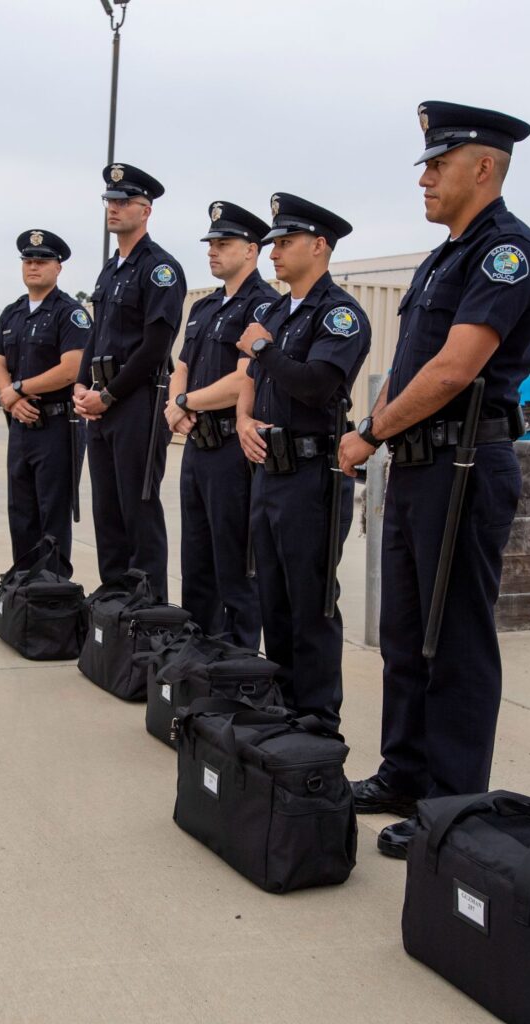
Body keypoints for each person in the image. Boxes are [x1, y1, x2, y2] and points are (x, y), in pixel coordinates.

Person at [340, 103, 530, 820]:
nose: (424, 179)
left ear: (484, 167)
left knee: (453, 639)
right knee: (405, 631)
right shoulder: (443, 257)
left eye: (438, 164)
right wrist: (389, 434)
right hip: (420, 463)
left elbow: (454, 370)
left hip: (465, 464)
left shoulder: (505, 252)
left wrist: (370, 431)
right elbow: (409, 366)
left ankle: (451, 810)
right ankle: (404, 774)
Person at [234, 194, 369, 728]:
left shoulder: (337, 314)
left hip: (313, 476)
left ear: (319, 246)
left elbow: (317, 386)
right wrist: (244, 420)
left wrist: (265, 351)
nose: (274, 253)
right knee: (273, 596)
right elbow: (249, 378)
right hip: (270, 471)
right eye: (272, 243)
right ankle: (284, 705)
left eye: (285, 243)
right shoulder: (274, 312)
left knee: (311, 601)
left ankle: (316, 717)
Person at [73, 163, 186, 600]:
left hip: (136, 401)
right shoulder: (110, 270)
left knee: (137, 509)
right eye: (110, 201)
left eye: (124, 202)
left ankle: (146, 608)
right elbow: (96, 335)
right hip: (100, 403)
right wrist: (82, 387)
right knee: (107, 508)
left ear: (146, 210)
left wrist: (109, 394)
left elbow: (156, 346)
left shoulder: (160, 269)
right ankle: (115, 601)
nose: (114, 208)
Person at [167, 201, 278, 647]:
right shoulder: (206, 305)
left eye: (223, 243)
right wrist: (177, 406)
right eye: (211, 243)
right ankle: (196, 665)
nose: (213, 251)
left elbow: (242, 380)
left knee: (235, 571)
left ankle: (236, 670)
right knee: (195, 567)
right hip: (198, 448)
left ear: (251, 250)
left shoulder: (265, 306)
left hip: (234, 453)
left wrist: (184, 400)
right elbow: (181, 361)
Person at [0, 229, 90, 563]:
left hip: (57, 426)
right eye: (28, 260)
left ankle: (52, 591)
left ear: (58, 267)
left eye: (42, 261)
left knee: (52, 513)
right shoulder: (13, 312)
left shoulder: (69, 313)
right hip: (20, 425)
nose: (34, 267)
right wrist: (12, 398)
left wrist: (19, 389)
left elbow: (72, 368)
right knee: (21, 511)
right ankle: (24, 588)